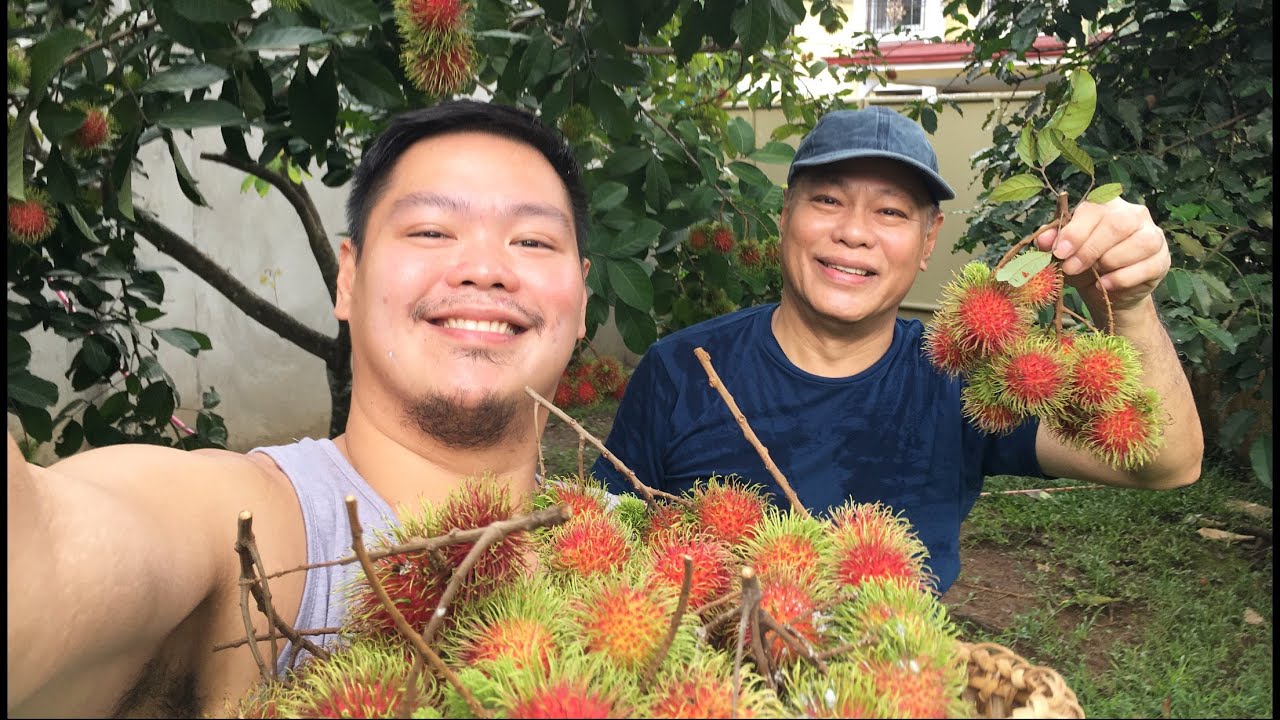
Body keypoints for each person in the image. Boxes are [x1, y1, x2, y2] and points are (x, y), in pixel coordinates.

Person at [8, 100, 592, 717]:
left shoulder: (650, 536)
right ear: (348, 279)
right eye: (430, 231)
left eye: (532, 240)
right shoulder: (254, 531)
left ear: (581, 301)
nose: (483, 270)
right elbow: (49, 556)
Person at [592, 106, 1203, 593]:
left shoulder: (964, 374)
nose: (854, 232)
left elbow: (1169, 463)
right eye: (828, 200)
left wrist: (1124, 305)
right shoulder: (679, 369)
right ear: (785, 215)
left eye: (890, 211)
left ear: (928, 240)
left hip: (898, 678)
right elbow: (602, 544)